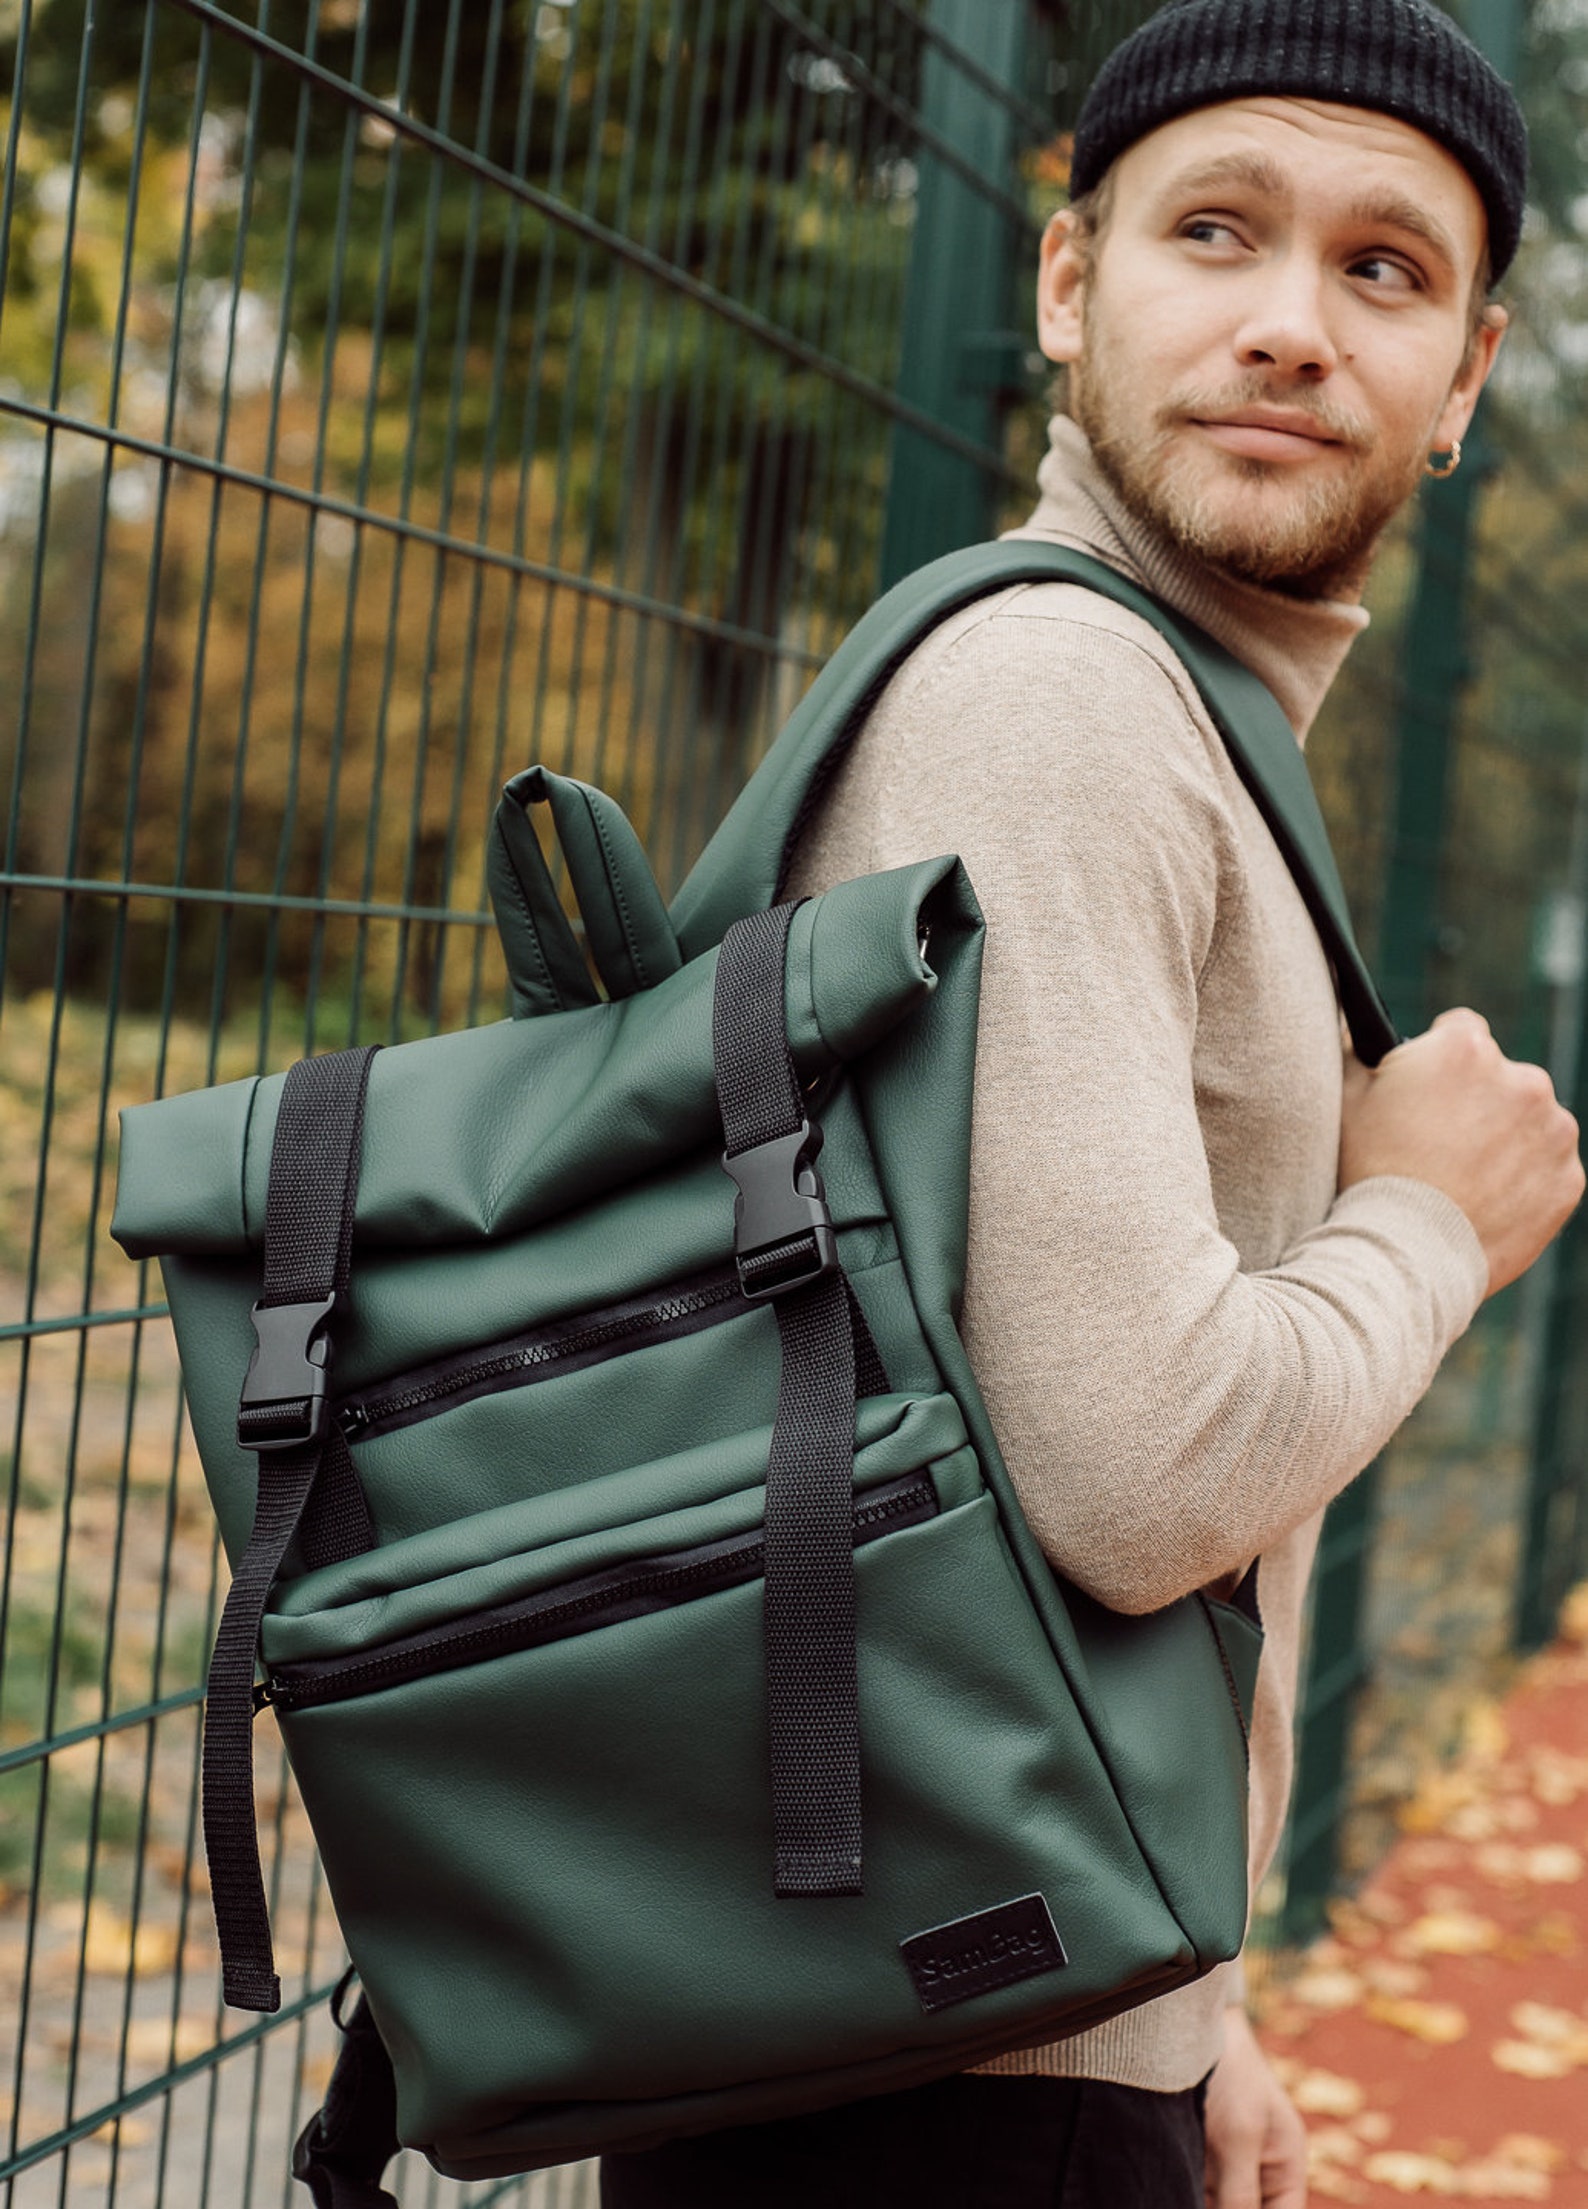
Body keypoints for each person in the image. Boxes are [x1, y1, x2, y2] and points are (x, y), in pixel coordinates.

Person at [600, 2, 1584, 2203]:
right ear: (1063, 288)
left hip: (987, 2016)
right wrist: (1428, 1220)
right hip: (924, 2088)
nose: (1286, 327)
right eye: (1211, 232)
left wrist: (1186, 2017)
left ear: (1464, 382)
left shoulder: (1177, 715)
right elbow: (1134, 1482)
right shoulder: (1063, 704)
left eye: (1378, 269)